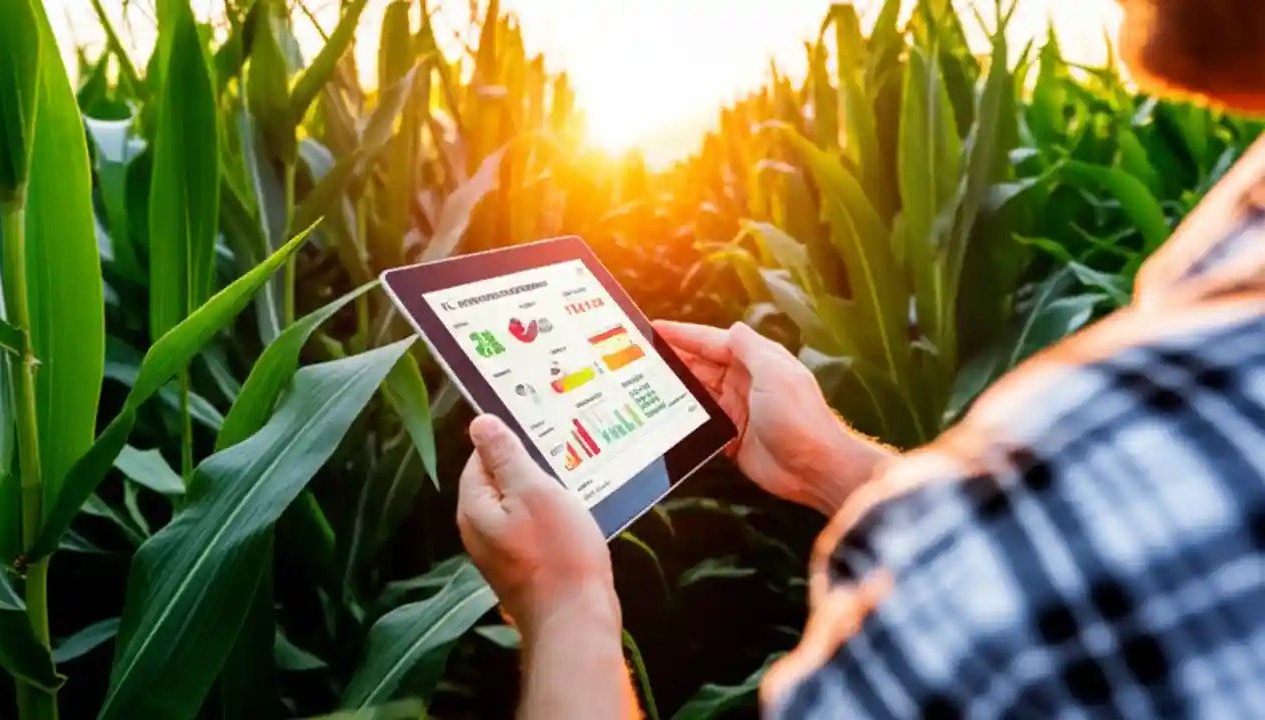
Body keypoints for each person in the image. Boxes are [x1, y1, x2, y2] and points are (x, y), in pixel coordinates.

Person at [455, 0, 1265, 716]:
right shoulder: (1163, 425)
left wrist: (564, 608)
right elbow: (1074, 541)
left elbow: (1035, 550)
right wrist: (831, 464)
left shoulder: (1072, 482)